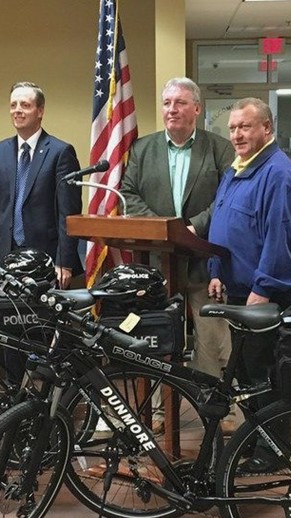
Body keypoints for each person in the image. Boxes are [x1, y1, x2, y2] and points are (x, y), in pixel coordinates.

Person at [207, 97, 291, 472]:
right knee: (248, 377)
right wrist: (216, 269)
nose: (237, 135)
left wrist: (263, 288)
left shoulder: (279, 173)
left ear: (267, 128)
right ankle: (255, 440)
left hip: (265, 297)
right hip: (240, 292)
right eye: (233, 128)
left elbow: (280, 236)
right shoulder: (237, 169)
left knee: (266, 377)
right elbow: (223, 223)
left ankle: (273, 453)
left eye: (245, 127)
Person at [120, 77, 236, 380]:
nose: (172, 109)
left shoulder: (220, 149)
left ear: (196, 108)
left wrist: (193, 228)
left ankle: (214, 409)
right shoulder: (142, 148)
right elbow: (128, 194)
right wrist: (163, 230)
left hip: (205, 263)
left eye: (180, 103)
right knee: (156, 338)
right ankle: (157, 409)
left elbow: (228, 197)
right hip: (158, 265)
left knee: (212, 338)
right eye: (167, 103)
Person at [0, 81, 82, 288]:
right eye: (13, 105)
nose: (17, 110)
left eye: (24, 105)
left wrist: (65, 261)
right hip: (6, 259)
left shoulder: (60, 152)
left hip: (48, 260)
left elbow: (68, 213)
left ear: (40, 111)